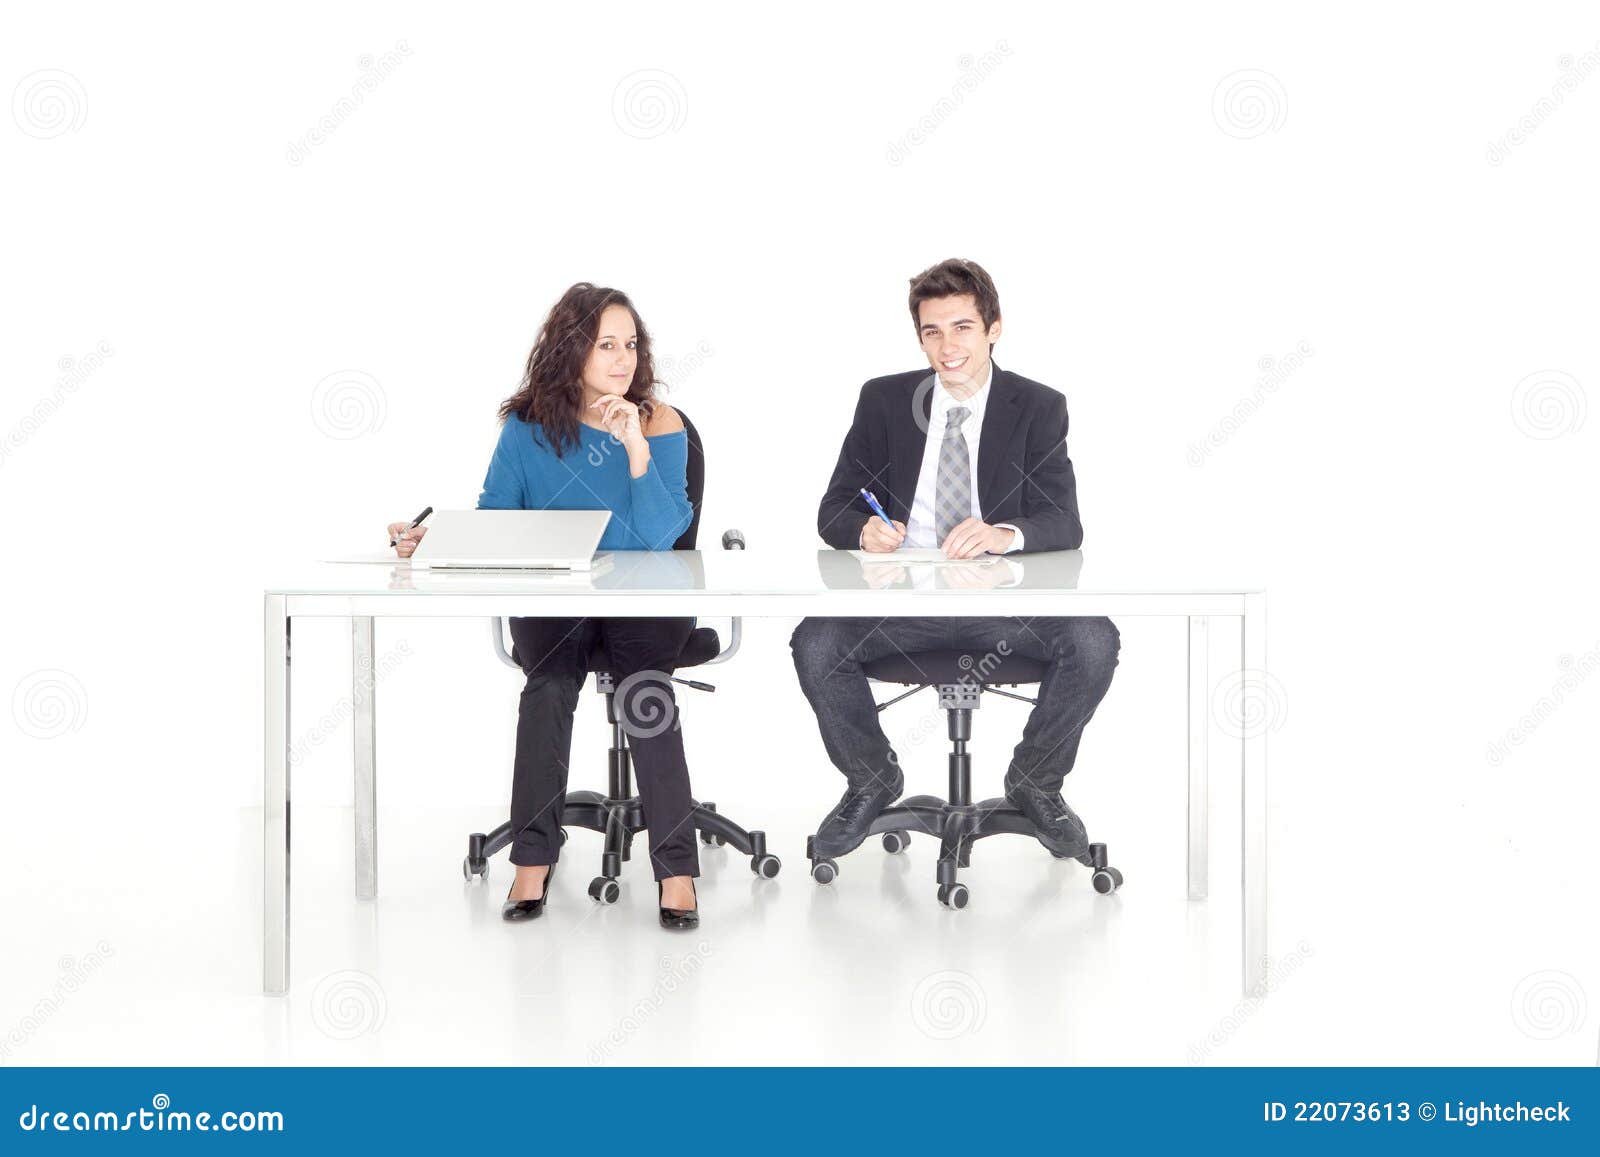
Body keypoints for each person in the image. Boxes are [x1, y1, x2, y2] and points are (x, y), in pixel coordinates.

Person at [390, 282, 702, 929]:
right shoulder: (527, 429)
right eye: (605, 345)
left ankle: (677, 869)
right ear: (571, 351)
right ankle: (533, 858)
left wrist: (637, 448)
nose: (623, 359)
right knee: (550, 683)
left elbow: (655, 538)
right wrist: (435, 538)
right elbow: (496, 522)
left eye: (630, 344)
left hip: (646, 602)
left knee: (646, 687)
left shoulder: (660, 420)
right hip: (556, 598)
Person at [791, 258, 1121, 861]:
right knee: (816, 643)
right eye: (931, 331)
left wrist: (1004, 533)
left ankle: (1036, 782)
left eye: (962, 328)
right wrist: (863, 529)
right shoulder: (885, 400)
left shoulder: (1038, 406)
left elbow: (1064, 522)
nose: (947, 347)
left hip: (1000, 607)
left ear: (994, 328)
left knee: (1095, 641)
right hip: (902, 601)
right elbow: (832, 511)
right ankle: (870, 779)